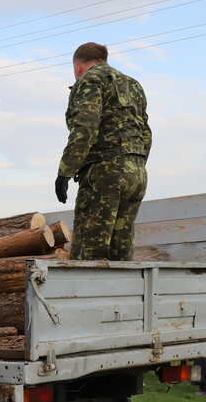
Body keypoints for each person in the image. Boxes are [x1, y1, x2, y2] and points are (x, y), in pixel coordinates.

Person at [55, 42, 152, 260]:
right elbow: (145, 132)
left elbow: (85, 127)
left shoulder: (91, 80)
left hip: (105, 173)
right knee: (121, 252)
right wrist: (134, 163)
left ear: (78, 67)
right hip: (136, 173)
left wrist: (65, 172)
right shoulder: (133, 85)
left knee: (89, 252)